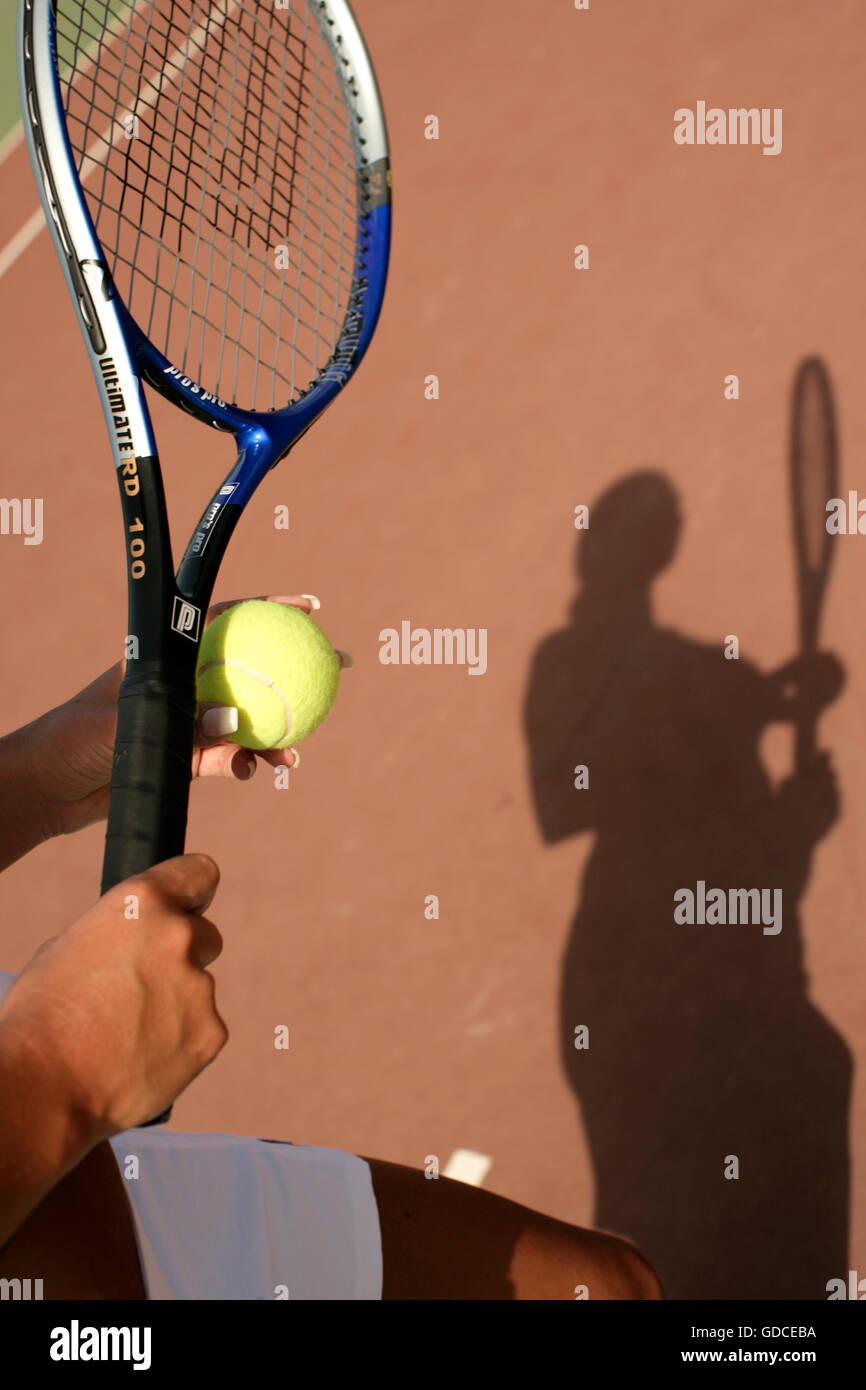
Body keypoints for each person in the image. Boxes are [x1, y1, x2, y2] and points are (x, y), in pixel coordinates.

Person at [0, 596, 662, 1300]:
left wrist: (32, 780)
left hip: (75, 1160)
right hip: (41, 1136)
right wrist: (61, 1063)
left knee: (609, 1288)